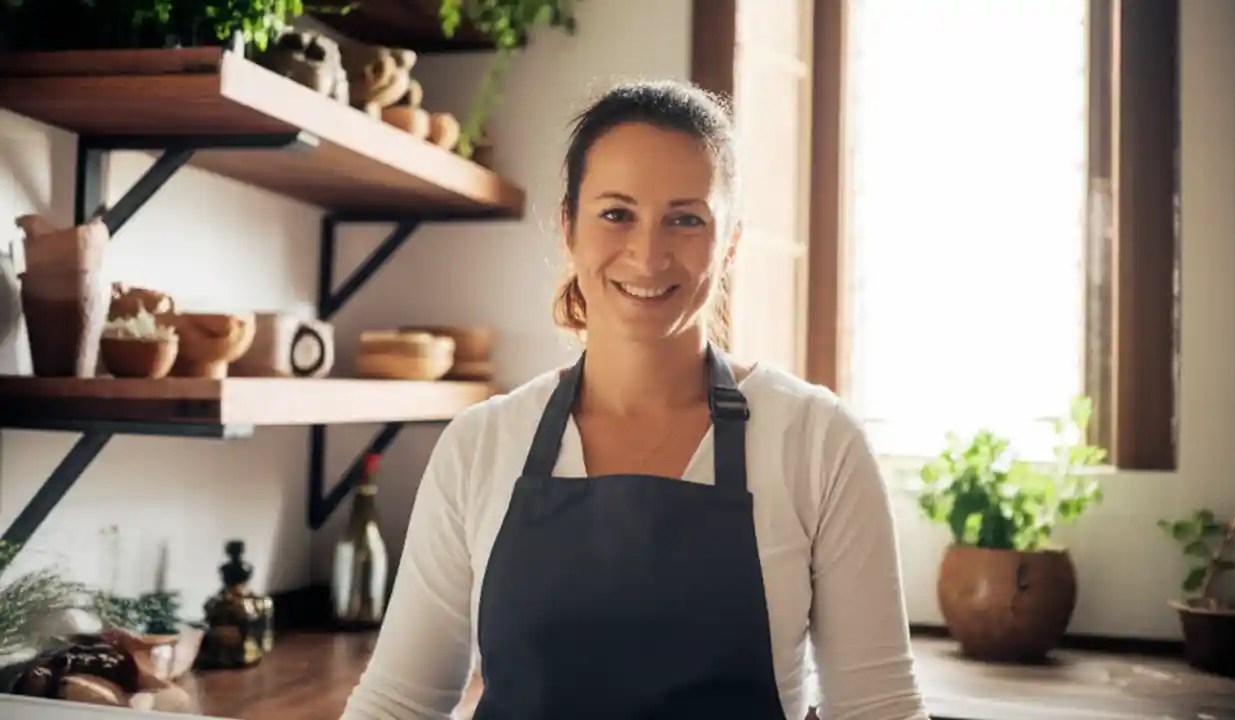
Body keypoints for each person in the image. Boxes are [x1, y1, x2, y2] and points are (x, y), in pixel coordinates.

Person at [339, 79, 928, 720]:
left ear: (729, 243)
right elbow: (399, 702)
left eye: (686, 219)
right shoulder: (481, 446)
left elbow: (880, 707)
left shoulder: (817, 441)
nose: (648, 255)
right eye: (617, 213)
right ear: (568, 227)